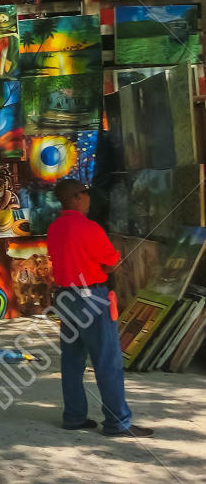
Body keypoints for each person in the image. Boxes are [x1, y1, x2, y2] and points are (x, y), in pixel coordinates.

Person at [47, 178, 151, 437]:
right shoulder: (89, 228)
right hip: (91, 297)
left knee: (72, 361)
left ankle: (73, 416)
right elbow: (110, 262)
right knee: (107, 362)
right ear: (77, 197)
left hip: (65, 298)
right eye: (86, 193)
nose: (89, 198)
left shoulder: (55, 228)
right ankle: (117, 423)